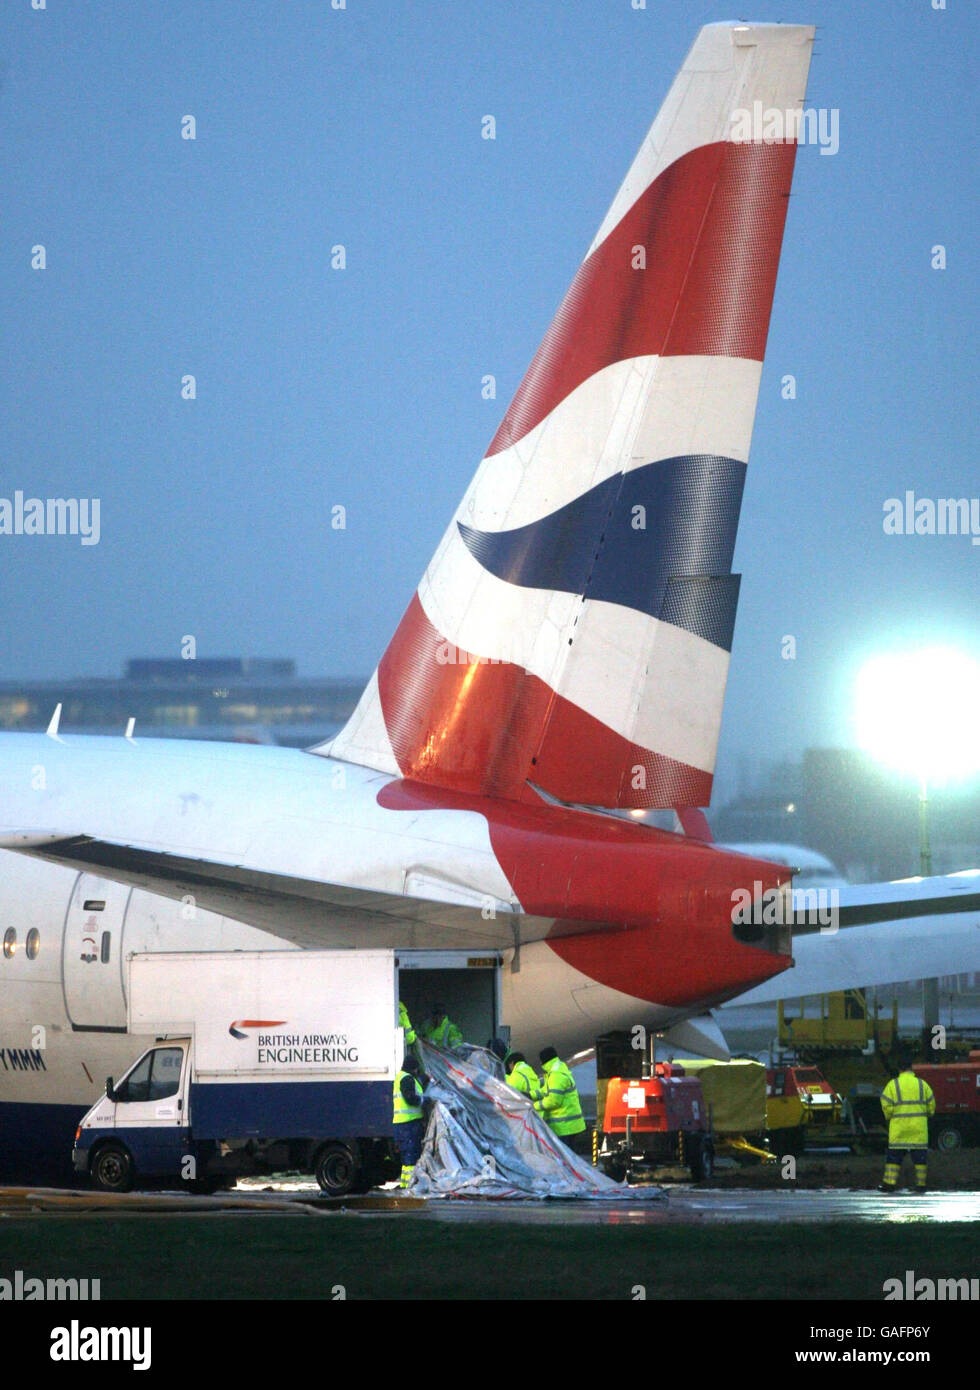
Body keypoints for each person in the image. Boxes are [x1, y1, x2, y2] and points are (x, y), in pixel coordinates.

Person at [879, 1061, 936, 1193]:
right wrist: (926, 1114)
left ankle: (889, 1184)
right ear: (912, 1069)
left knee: (893, 1159)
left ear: (899, 1070)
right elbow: (931, 1106)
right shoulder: (922, 1084)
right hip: (918, 1130)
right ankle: (921, 1185)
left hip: (899, 1130)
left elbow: (886, 1104)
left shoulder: (893, 1085)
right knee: (920, 1161)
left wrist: (890, 1115)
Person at [538, 1046, 589, 1154]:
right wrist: (531, 1095)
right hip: (569, 1126)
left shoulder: (556, 1075)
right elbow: (546, 1090)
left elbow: (553, 1101)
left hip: (564, 1127)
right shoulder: (558, 1069)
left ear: (544, 1062)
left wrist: (534, 1106)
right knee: (569, 1159)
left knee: (564, 1160)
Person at [392, 1054, 426, 1189]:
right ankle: (411, 1185)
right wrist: (424, 1100)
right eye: (416, 1069)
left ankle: (405, 1183)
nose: (417, 1072)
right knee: (411, 1155)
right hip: (408, 1124)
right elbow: (410, 1099)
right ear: (412, 1068)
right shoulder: (407, 1079)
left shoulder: (402, 1077)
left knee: (407, 1157)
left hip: (402, 1124)